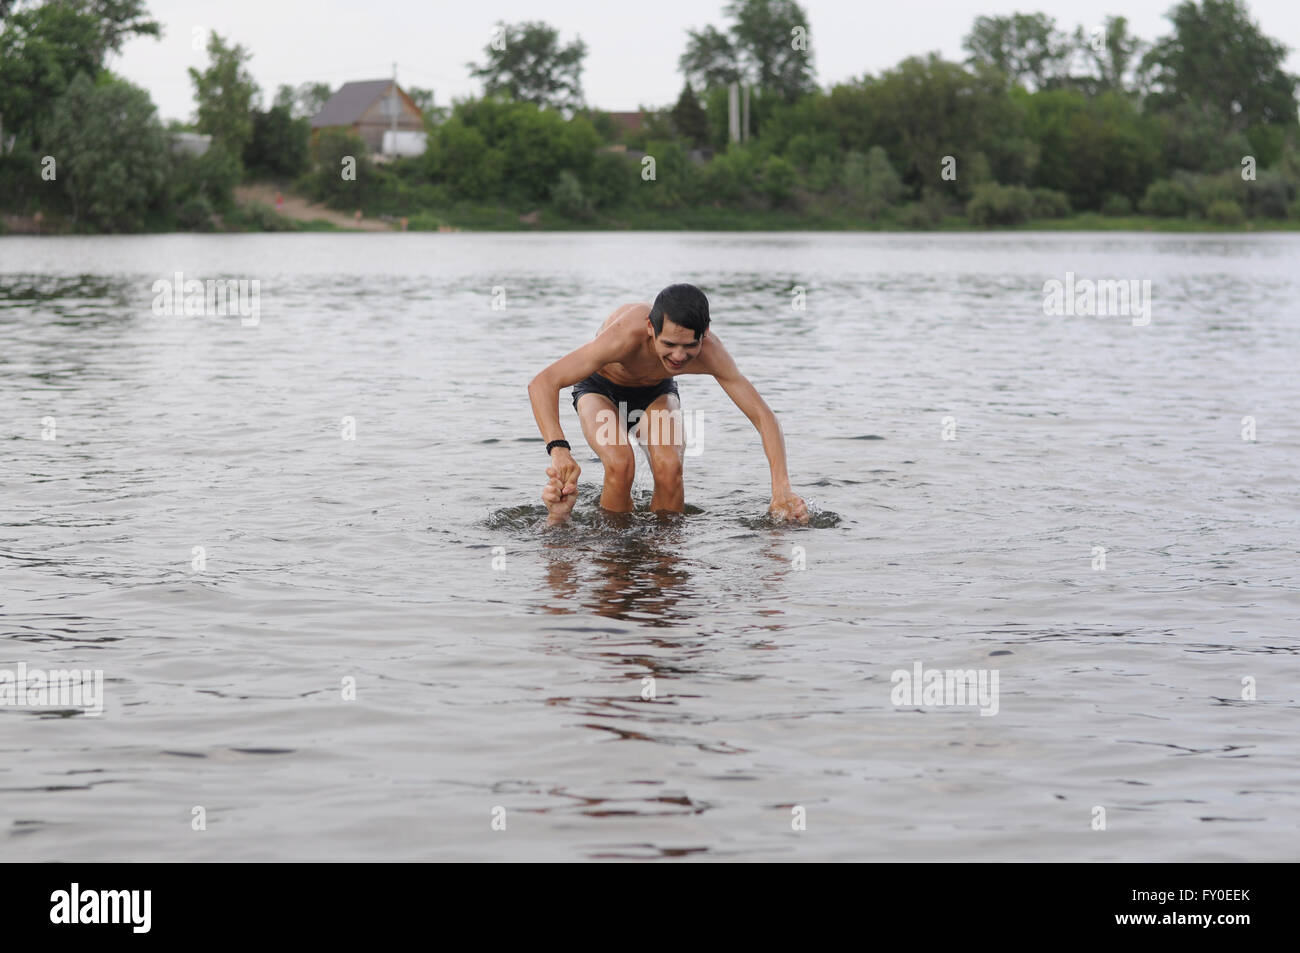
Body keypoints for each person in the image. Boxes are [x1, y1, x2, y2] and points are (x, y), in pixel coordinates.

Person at [527, 283, 809, 525]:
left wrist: (781, 488)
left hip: (656, 391)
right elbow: (543, 383)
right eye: (670, 344)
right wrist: (558, 449)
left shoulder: (711, 353)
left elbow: (763, 416)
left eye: (690, 346)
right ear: (651, 327)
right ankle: (615, 554)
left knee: (670, 467)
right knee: (620, 463)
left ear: (705, 333)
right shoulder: (625, 335)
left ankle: (665, 558)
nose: (678, 356)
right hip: (600, 389)